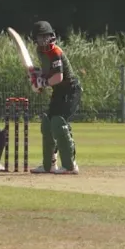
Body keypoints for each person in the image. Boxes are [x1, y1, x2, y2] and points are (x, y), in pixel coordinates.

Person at [28, 21, 83, 175]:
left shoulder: (55, 51)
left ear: (52, 36)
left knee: (58, 122)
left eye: (46, 36)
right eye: (40, 37)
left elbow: (58, 77)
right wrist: (37, 78)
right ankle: (49, 165)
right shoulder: (40, 52)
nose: (44, 39)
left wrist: (42, 82)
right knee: (47, 124)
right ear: (36, 38)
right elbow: (48, 73)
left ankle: (70, 165)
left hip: (70, 90)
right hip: (58, 91)